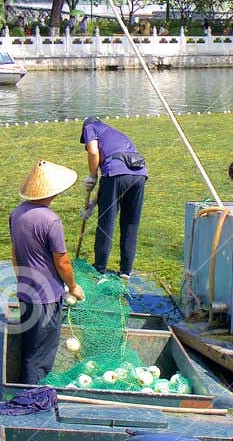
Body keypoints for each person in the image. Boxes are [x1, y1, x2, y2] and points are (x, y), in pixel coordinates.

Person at [9, 161, 84, 384]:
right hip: (47, 298)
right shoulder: (50, 220)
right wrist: (73, 286)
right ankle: (33, 395)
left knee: (29, 346)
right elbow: (62, 261)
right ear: (54, 191)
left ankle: (25, 386)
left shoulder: (17, 213)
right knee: (41, 353)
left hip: (25, 293)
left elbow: (14, 253)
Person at [80, 115, 147, 276]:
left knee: (106, 224)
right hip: (139, 175)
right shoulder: (116, 133)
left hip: (116, 174)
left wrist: (92, 175)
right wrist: (93, 205)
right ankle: (125, 271)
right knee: (131, 224)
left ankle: (99, 269)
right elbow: (110, 181)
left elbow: (94, 152)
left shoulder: (90, 127)